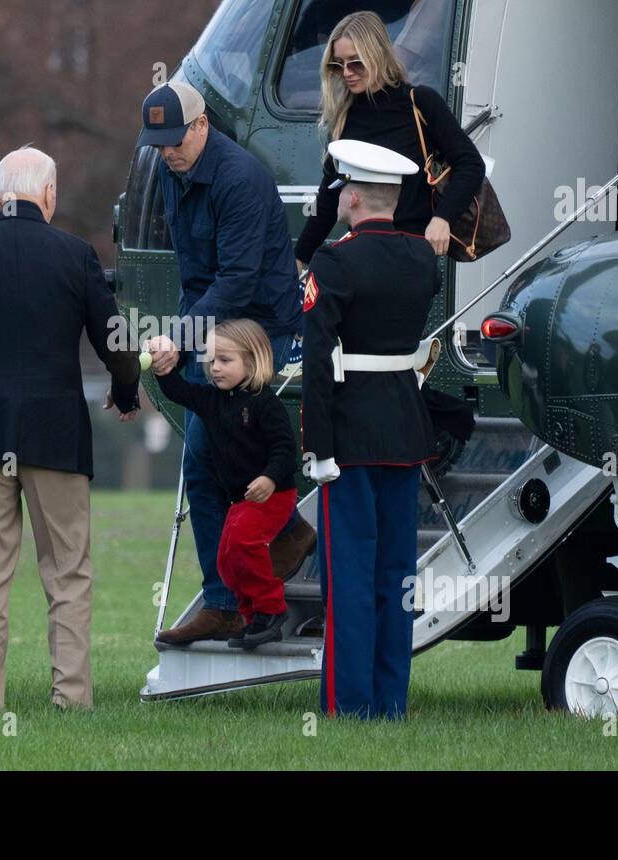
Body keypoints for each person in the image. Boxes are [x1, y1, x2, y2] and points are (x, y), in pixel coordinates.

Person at [0, 146, 140, 711]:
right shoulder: (75, 254)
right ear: (50, 194)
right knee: (67, 575)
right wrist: (127, 392)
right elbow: (116, 344)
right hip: (56, 436)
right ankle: (71, 698)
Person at [135, 80, 316, 647]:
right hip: (208, 320)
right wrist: (184, 333)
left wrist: (180, 336)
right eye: (158, 144)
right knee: (201, 467)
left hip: (262, 324)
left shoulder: (240, 178)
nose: (167, 153)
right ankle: (225, 603)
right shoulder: (170, 169)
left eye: (175, 141)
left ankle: (278, 541)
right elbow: (193, 269)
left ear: (203, 124)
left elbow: (237, 280)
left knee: (231, 451)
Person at [302, 140, 441, 721]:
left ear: (350, 193)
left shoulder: (334, 261)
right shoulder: (422, 258)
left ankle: (349, 705)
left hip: (351, 436)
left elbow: (316, 357)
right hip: (403, 429)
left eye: (341, 188)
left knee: (351, 577)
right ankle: (390, 703)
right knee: (396, 577)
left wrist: (318, 448)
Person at [148, 320, 299, 649]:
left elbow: (287, 451)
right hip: (243, 502)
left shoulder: (265, 403)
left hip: (274, 495)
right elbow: (178, 391)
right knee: (227, 556)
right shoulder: (213, 401)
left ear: (253, 360)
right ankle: (248, 615)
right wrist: (162, 367)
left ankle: (272, 609)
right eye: (211, 360)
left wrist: (269, 477)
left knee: (243, 544)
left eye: (224, 361)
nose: (214, 368)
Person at [296, 10, 485, 265]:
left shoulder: (419, 103)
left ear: (377, 55)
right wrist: (300, 257)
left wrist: (443, 218)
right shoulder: (345, 116)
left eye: (356, 62)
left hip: (412, 254)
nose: (347, 72)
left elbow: (471, 164)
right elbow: (330, 194)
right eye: (337, 65)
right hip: (365, 254)